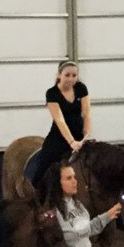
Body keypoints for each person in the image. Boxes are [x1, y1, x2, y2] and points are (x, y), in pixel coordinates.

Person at [31, 60, 92, 193]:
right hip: (59, 138)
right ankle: (39, 198)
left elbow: (87, 113)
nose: (71, 79)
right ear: (59, 75)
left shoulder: (81, 88)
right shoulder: (52, 93)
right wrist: (71, 142)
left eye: (74, 75)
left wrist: (86, 136)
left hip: (79, 136)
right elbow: (59, 120)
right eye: (67, 75)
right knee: (43, 168)